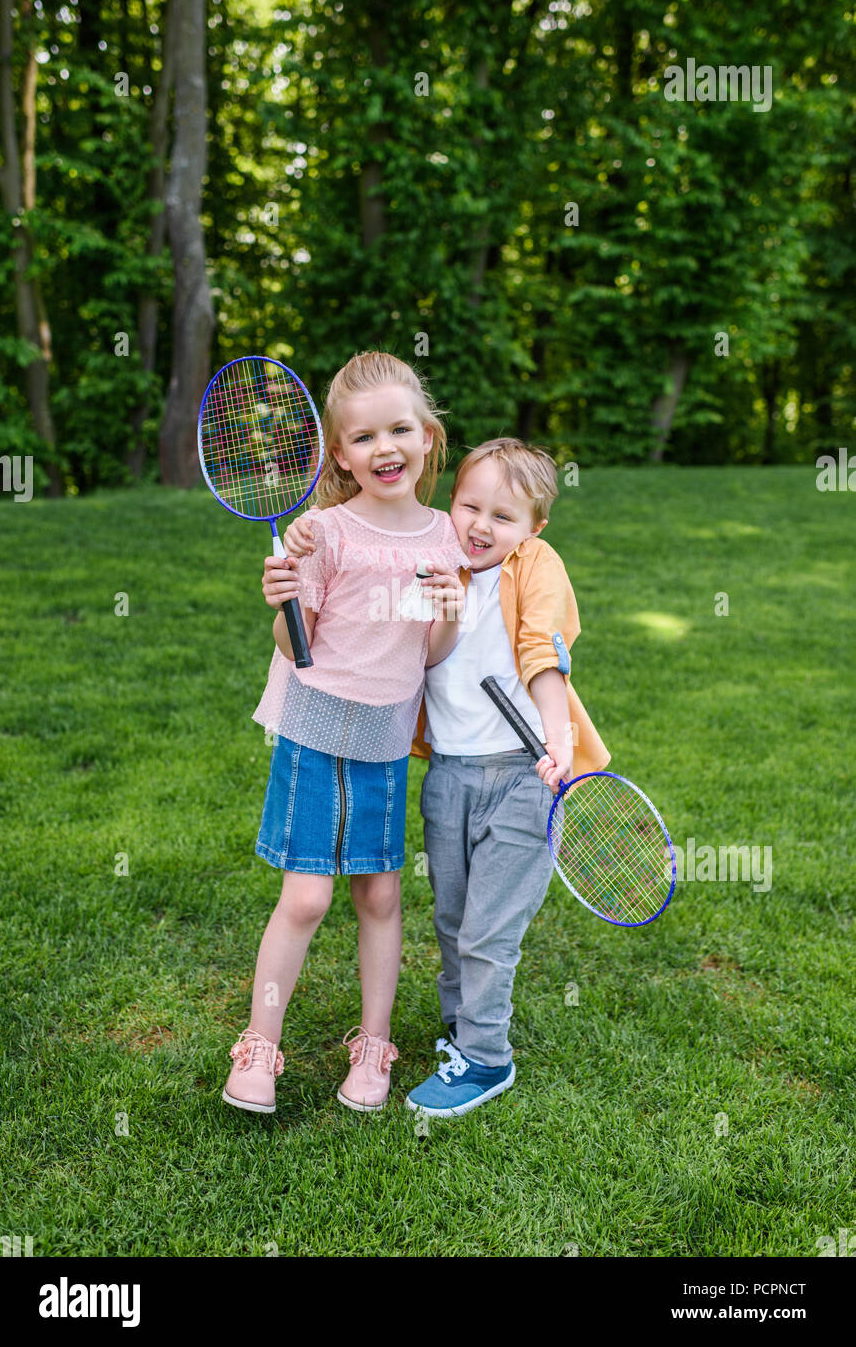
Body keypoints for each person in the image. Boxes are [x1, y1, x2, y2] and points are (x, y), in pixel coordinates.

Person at [284, 436, 609, 1118]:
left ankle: (486, 1058)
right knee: (455, 916)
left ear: (534, 529)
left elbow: (541, 653)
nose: (482, 527)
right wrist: (313, 536)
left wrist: (557, 736)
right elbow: (378, 631)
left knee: (489, 928)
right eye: (470, 506)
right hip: (450, 778)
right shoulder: (437, 567)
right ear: (449, 503)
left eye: (504, 516)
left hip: (526, 774)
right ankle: (463, 1029)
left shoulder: (536, 568)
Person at [222, 352, 466, 1116]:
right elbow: (299, 647)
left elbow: (427, 656)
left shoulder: (442, 538)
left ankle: (374, 1043)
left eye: (399, 429)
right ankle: (259, 1045)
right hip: (315, 728)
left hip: (386, 739)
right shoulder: (322, 532)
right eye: (362, 438)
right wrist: (281, 601)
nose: (383, 447)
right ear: (339, 455)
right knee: (303, 899)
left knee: (380, 894)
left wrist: (449, 615)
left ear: (427, 438)